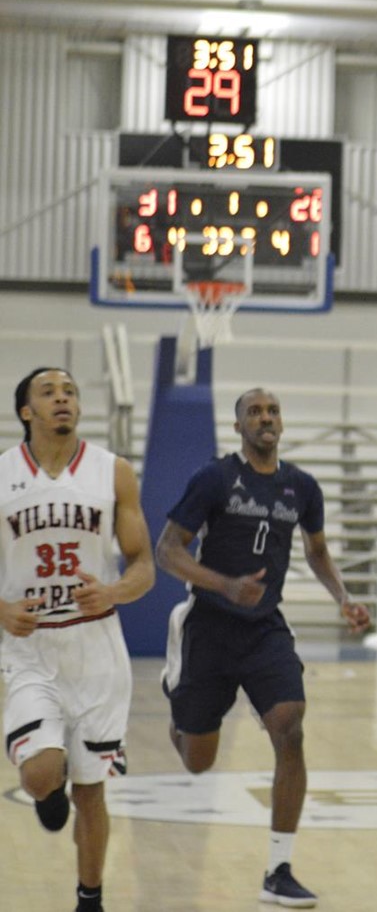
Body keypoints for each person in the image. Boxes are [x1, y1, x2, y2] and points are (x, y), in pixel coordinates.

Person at [156, 388, 371, 908]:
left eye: (272, 410)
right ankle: (181, 717)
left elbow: (317, 551)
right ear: (238, 428)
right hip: (208, 625)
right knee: (198, 761)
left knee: (290, 726)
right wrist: (222, 584)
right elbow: (167, 550)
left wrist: (343, 597)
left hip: (263, 629)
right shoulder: (215, 478)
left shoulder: (302, 487)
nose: (266, 417)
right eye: (254, 411)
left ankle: (279, 868)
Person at [2, 367, 154, 912]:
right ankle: (51, 777)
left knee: (92, 792)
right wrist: (1, 609)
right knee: (42, 775)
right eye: (49, 393)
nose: (62, 398)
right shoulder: (1, 477)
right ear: (27, 412)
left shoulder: (112, 472)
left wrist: (115, 592)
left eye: (70, 390)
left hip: (96, 649)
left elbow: (144, 565)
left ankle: (90, 900)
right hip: (30, 647)